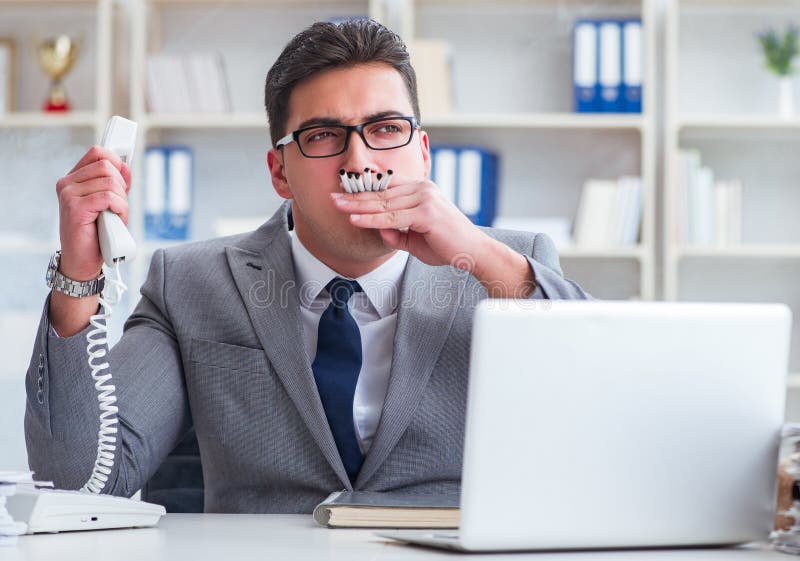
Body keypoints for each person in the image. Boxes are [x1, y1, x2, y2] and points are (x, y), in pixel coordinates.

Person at [25, 19, 590, 513]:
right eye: (323, 136)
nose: (359, 162)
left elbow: (596, 418)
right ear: (279, 172)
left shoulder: (512, 268)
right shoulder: (192, 284)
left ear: (423, 152)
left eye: (386, 129)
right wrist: (78, 277)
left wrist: (481, 257)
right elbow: (79, 478)